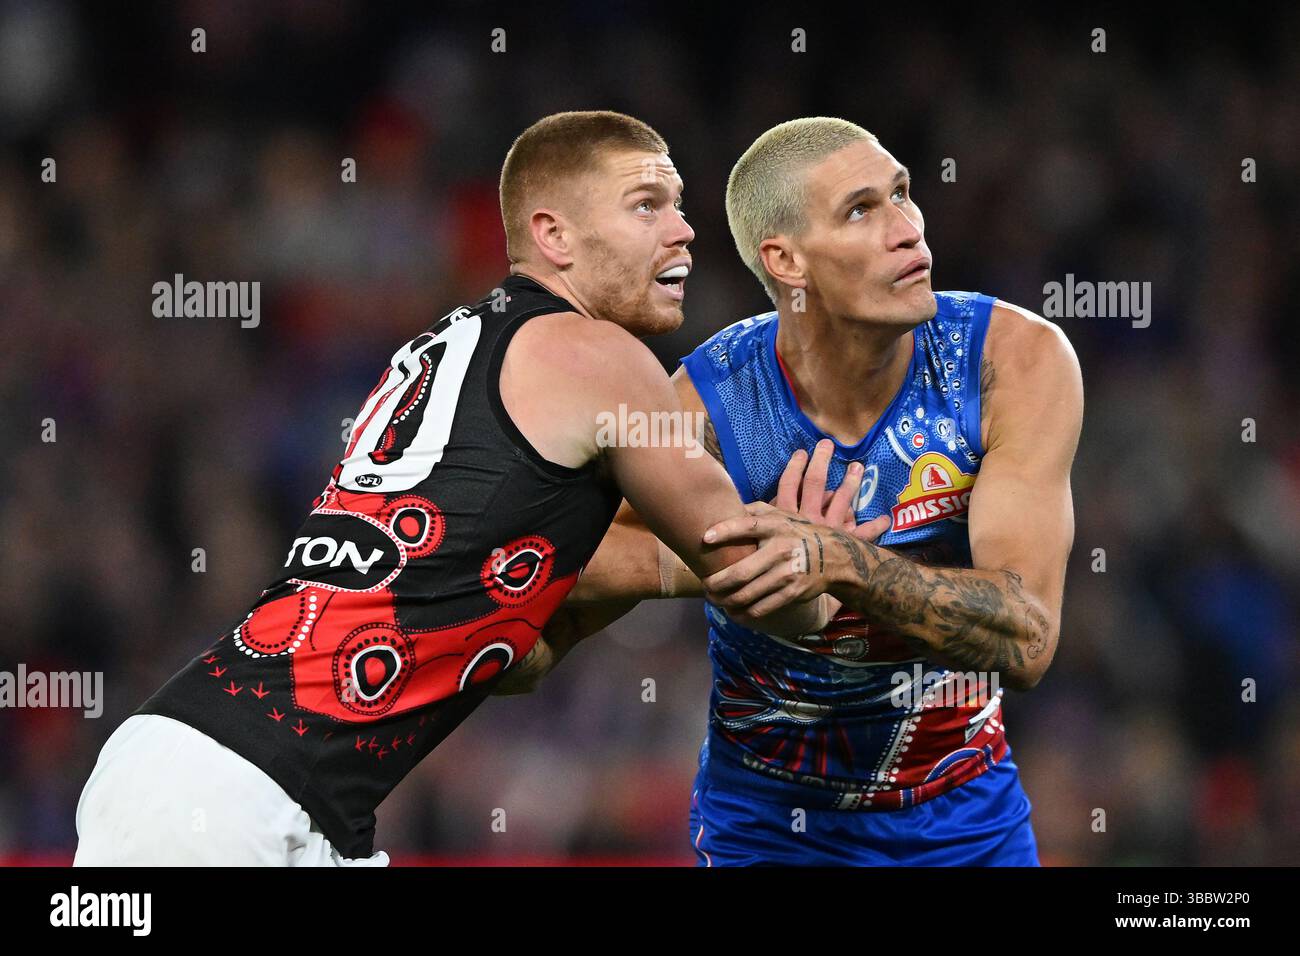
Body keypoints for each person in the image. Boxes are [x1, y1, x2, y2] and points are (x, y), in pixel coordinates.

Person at [72, 110, 830, 866]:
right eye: (646, 206)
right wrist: (817, 551)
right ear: (554, 235)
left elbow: (508, 655)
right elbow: (773, 587)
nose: (683, 229)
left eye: (680, 204)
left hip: (211, 774)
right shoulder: (600, 356)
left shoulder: (450, 348)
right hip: (235, 801)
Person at [516, 117, 1084, 866]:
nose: (908, 229)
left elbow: (1029, 637)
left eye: (903, 194)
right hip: (769, 830)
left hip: (967, 822)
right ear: (785, 260)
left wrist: (839, 562)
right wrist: (743, 556)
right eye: (861, 210)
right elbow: (550, 622)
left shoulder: (1010, 362)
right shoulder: (705, 410)